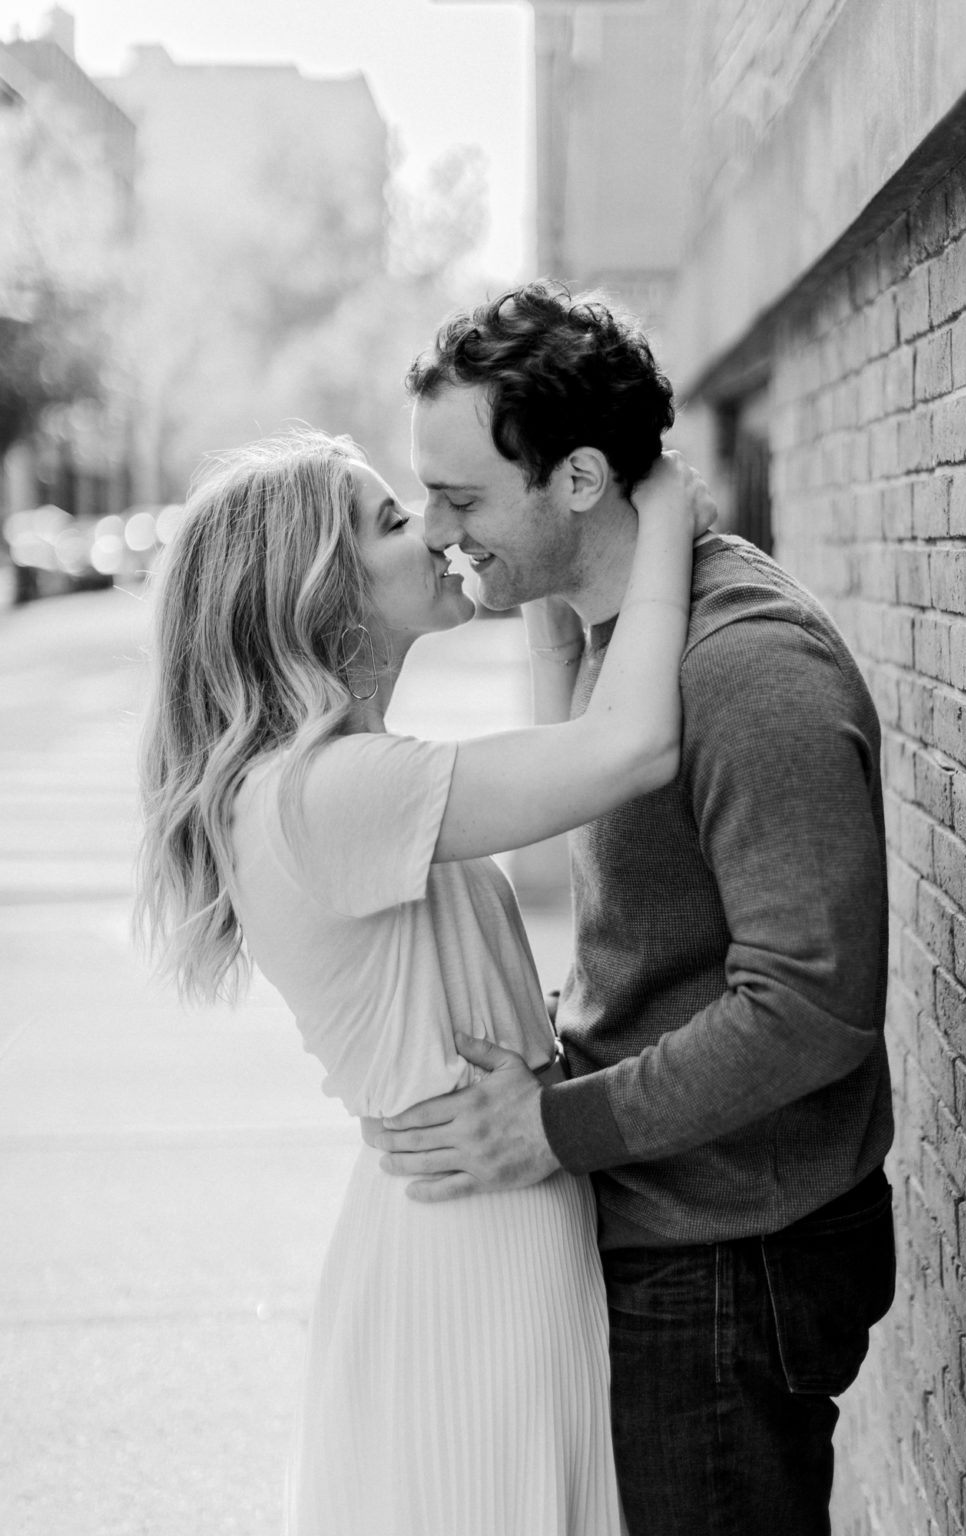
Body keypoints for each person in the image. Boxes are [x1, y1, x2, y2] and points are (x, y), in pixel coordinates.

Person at [365, 281, 897, 1536]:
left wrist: (557, 1127)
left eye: (463, 498)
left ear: (583, 480)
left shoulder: (745, 671)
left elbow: (811, 1004)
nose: (439, 531)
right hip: (678, 1235)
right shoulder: (635, 642)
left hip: (729, 1261)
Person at [135, 423, 715, 1535]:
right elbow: (627, 749)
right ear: (322, 597)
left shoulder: (322, 785)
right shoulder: (329, 794)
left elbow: (576, 751)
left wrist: (554, 563)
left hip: (475, 1217)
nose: (438, 529)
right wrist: (666, 527)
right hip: (470, 1251)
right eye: (395, 522)